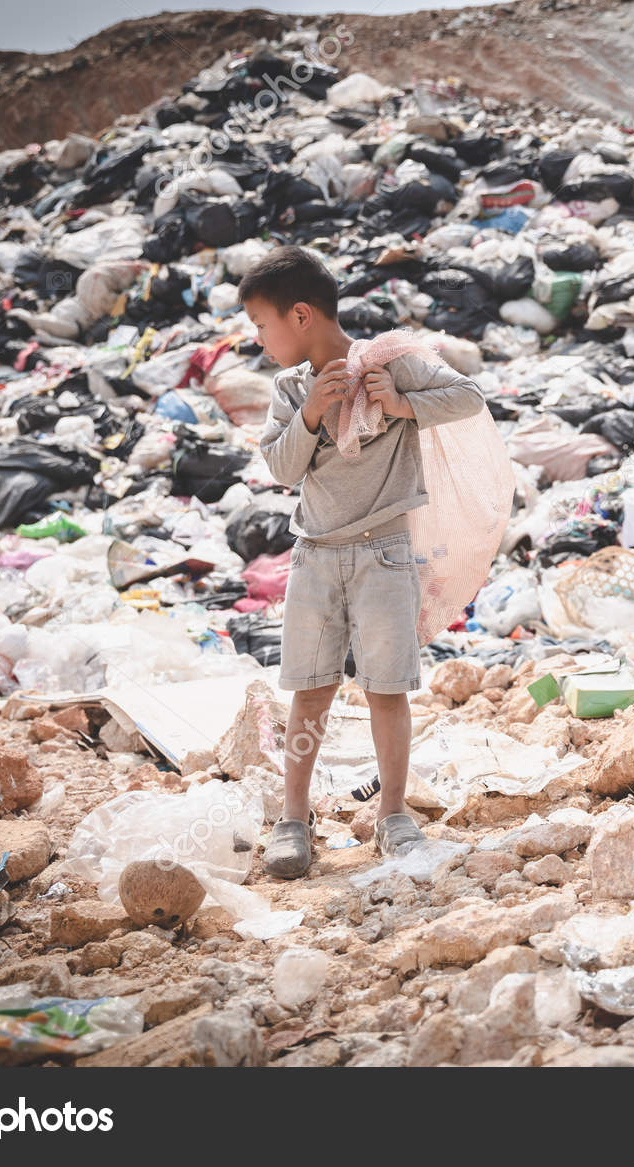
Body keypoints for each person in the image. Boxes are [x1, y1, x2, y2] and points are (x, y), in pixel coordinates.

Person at [242, 246, 487, 878]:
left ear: (300, 316)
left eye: (262, 326)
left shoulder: (391, 364)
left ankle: (394, 815)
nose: (260, 341)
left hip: (384, 555)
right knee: (310, 692)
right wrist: (312, 414)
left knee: (387, 690)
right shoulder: (292, 388)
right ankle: (294, 821)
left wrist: (404, 405)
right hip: (316, 556)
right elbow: (280, 466)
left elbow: (467, 398)